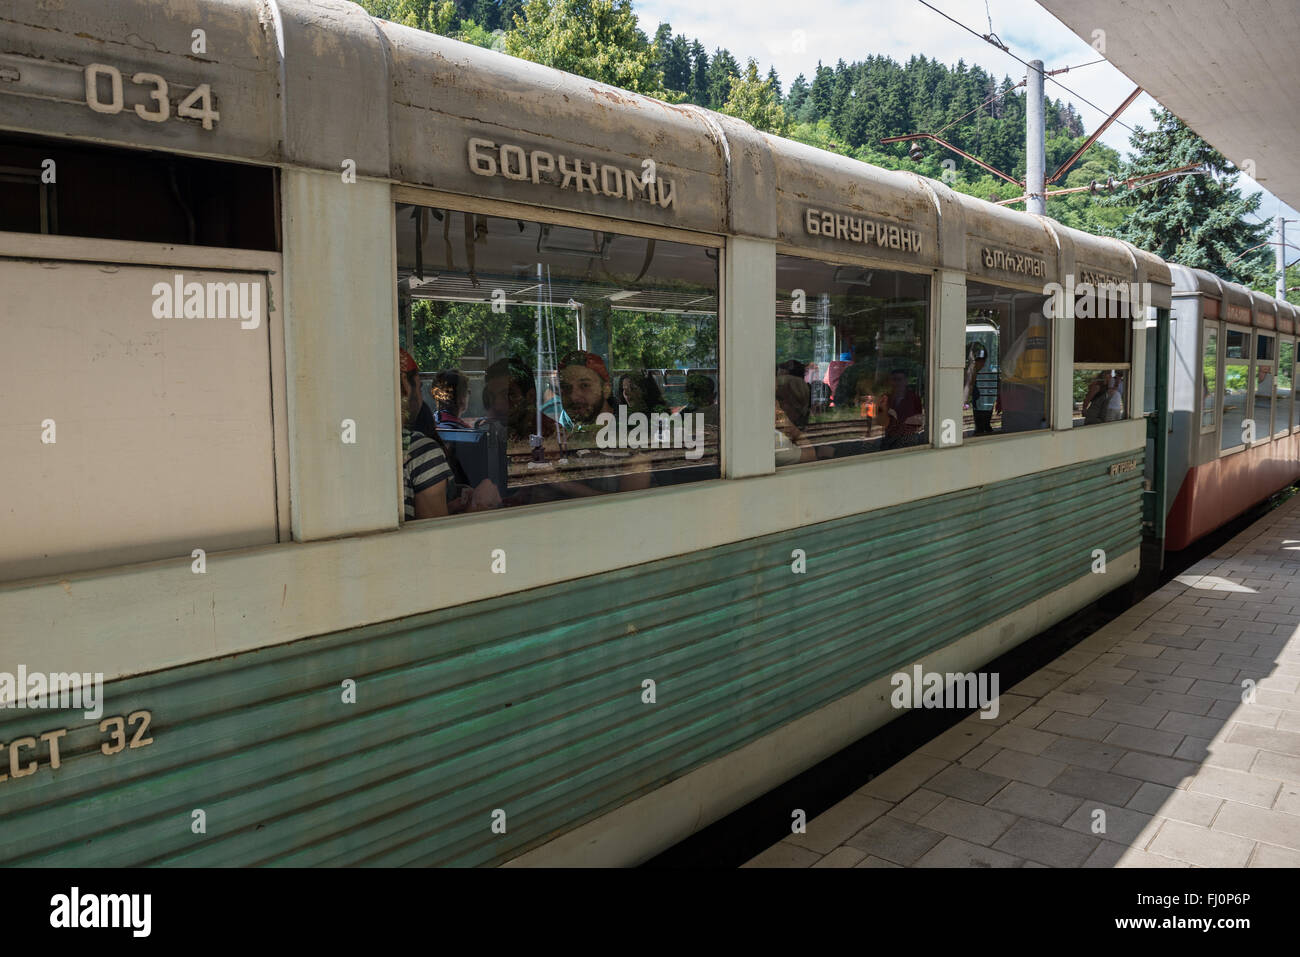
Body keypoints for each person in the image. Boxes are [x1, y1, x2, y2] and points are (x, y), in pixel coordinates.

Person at [400, 349, 452, 520]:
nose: (421, 399)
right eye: (420, 388)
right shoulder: (421, 451)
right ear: (406, 387)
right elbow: (435, 539)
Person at [559, 349, 615, 428]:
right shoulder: (567, 418)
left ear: (606, 390)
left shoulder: (628, 428)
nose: (574, 397)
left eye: (584, 385)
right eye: (566, 387)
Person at [879, 369, 924, 449]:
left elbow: (919, 421)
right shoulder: (886, 398)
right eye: (893, 380)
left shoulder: (914, 398)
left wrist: (900, 422)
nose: (896, 383)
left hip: (907, 438)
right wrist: (884, 409)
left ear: (906, 381)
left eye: (899, 380)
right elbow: (881, 422)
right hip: (889, 437)